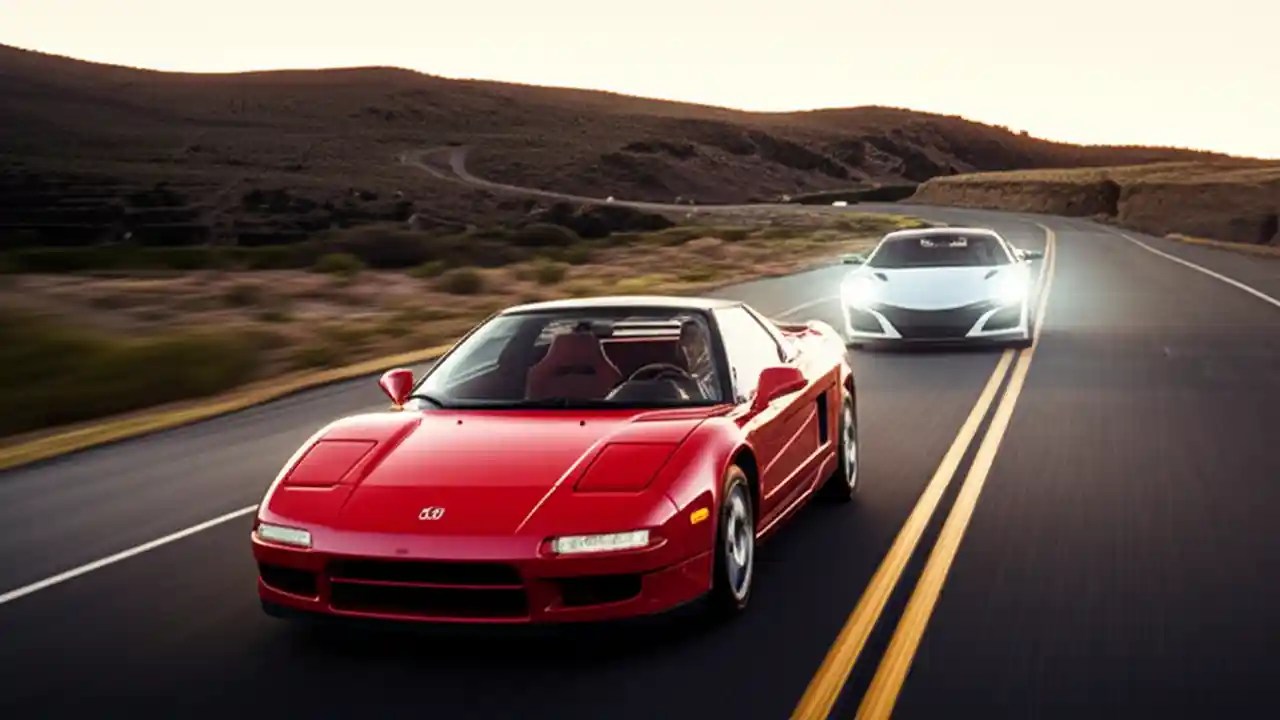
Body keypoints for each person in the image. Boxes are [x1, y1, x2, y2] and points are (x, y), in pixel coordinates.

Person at [678, 319, 718, 400]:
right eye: (685, 343)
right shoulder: (672, 374)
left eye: (694, 341)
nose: (690, 348)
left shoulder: (714, 375)